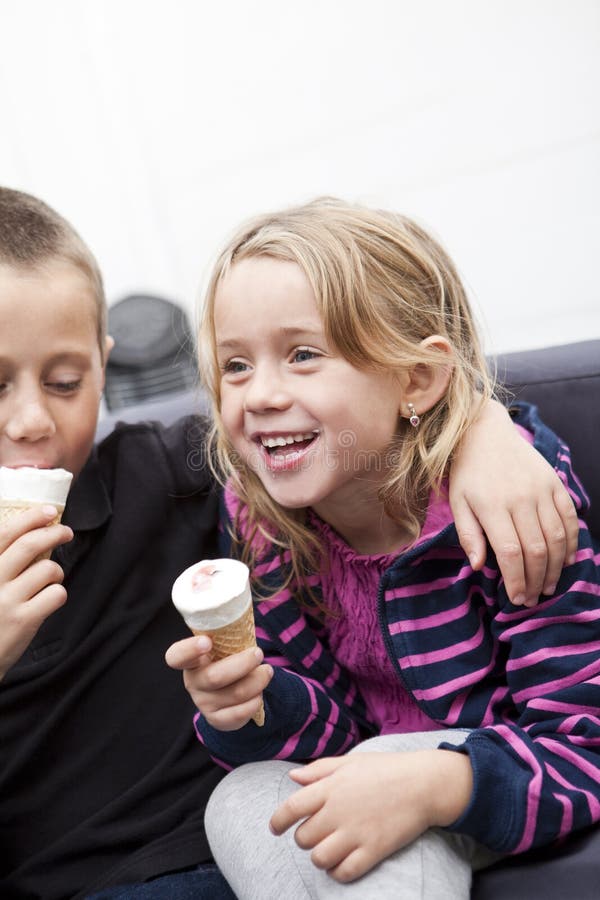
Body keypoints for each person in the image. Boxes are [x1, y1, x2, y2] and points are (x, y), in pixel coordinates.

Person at [165, 198, 600, 900]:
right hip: (371, 769)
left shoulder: (509, 510)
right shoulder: (263, 526)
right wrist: (256, 701)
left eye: (303, 355)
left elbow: (584, 745)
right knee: (244, 799)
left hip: (492, 774)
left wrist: (434, 783)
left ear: (416, 381)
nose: (261, 394)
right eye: (236, 366)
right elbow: (335, 738)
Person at [0, 187, 237, 900]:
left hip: (222, 839)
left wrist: (483, 434)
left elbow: (345, 431)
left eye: (66, 382)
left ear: (104, 367)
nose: (32, 419)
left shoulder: (158, 472)